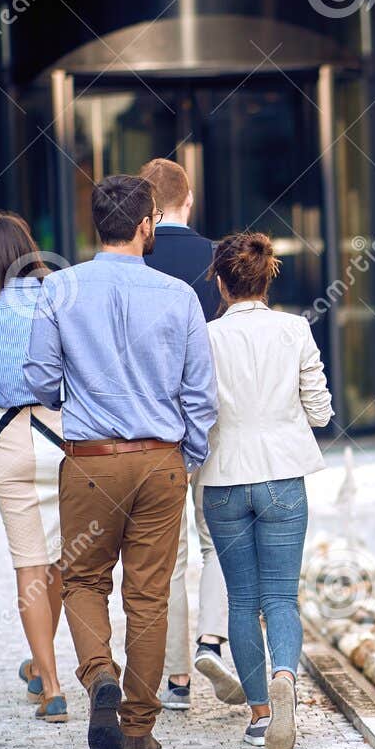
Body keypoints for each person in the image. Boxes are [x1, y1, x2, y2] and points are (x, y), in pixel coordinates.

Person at [24, 174, 217, 749]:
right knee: (150, 596)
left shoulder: (59, 291)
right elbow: (201, 396)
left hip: (90, 463)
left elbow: (35, 380)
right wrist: (185, 457)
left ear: (95, 226)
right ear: (145, 225)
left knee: (83, 580)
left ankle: (98, 674)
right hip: (160, 461)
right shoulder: (179, 296)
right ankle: (136, 729)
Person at [199, 233, 332, 749]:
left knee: (241, 600)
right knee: (281, 598)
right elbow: (319, 409)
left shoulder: (206, 337)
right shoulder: (295, 329)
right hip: (283, 475)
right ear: (266, 278)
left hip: (225, 478)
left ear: (220, 281)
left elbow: (195, 406)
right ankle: (284, 678)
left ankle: (258, 713)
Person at [137, 158, 241, 712]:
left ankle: (175, 679)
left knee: (167, 556)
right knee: (216, 540)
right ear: (189, 199)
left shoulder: (137, 258)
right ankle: (212, 642)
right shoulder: (218, 258)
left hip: (155, 429)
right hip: (212, 423)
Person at [0, 213, 68, 723]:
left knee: (29, 565)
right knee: (63, 560)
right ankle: (44, 665)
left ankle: (50, 683)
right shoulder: (56, 295)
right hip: (63, 436)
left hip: (9, 439)